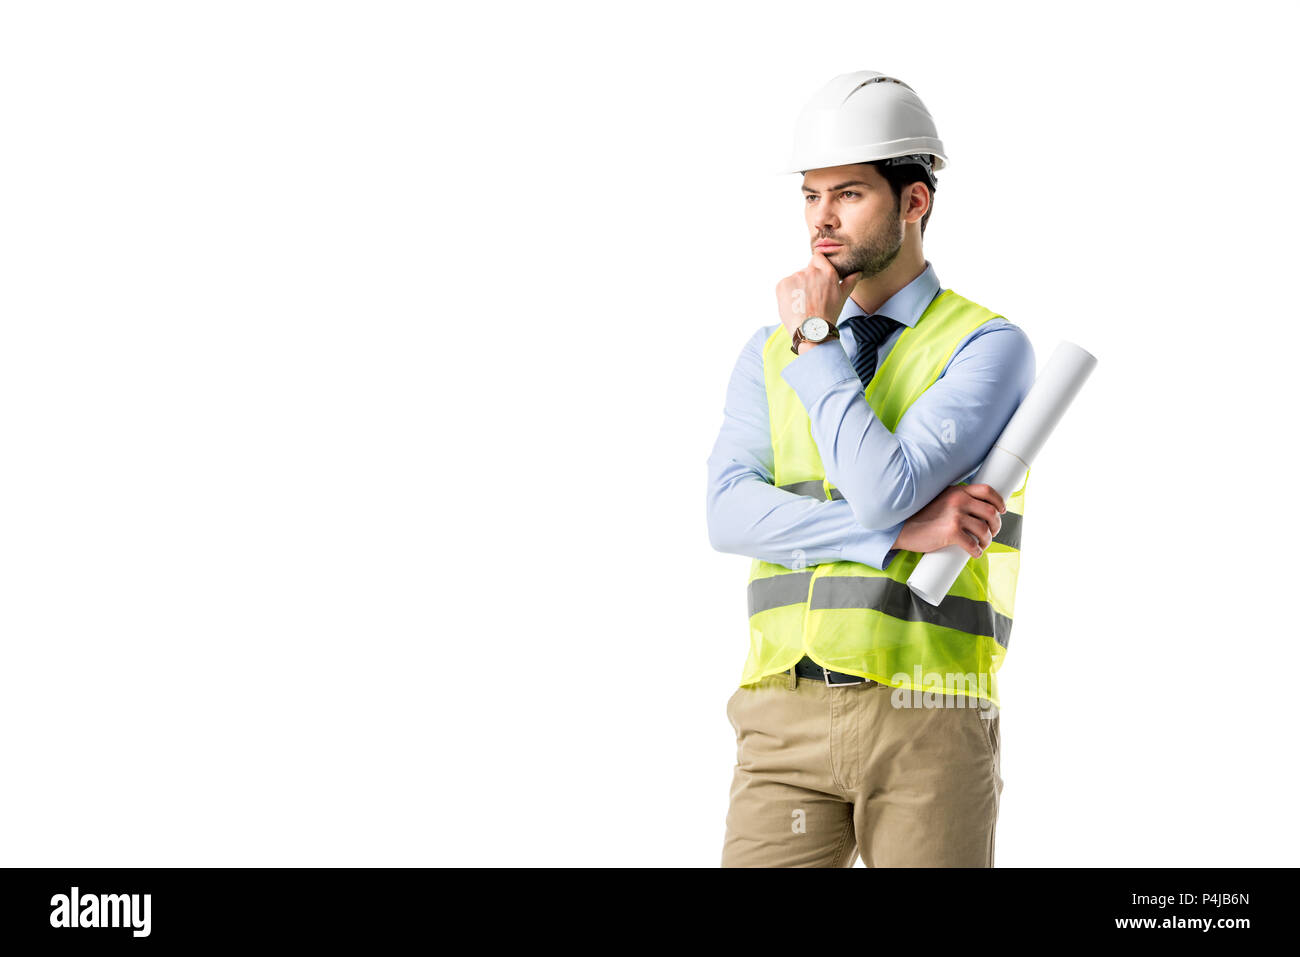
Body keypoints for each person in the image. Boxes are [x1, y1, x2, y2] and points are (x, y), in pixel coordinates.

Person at [705, 71, 1036, 867]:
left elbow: (884, 483)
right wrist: (893, 536)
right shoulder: (764, 352)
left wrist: (817, 345)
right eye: (811, 196)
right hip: (779, 714)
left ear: (913, 202)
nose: (822, 220)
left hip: (927, 712)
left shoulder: (984, 346)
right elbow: (726, 515)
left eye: (848, 194)